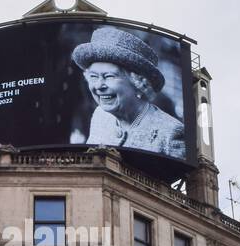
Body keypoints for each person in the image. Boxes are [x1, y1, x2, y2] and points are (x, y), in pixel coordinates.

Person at [72, 26, 186, 159]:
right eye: (93, 77)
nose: (98, 86)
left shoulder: (171, 133)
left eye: (109, 76)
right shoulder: (100, 116)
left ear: (138, 83)